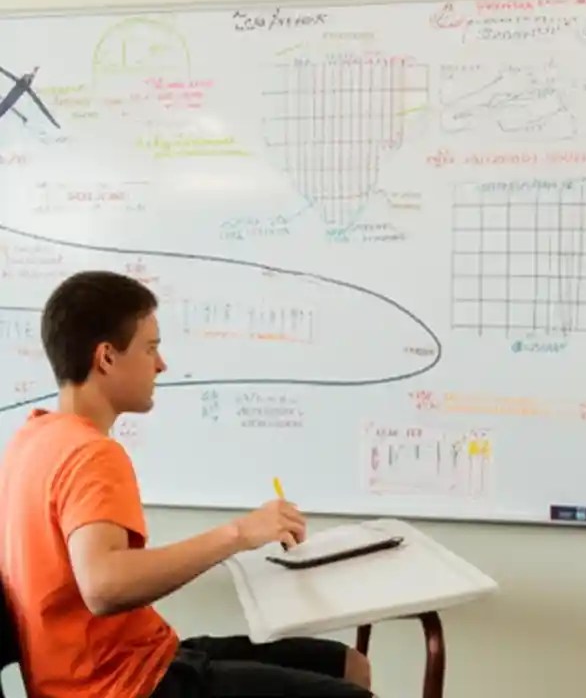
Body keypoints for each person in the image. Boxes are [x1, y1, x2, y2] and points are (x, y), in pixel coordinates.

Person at [0, 270, 375, 697]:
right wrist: (239, 534)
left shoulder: (31, 439)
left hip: (130, 660)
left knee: (349, 665)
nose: (161, 364)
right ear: (106, 357)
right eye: (150, 348)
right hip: (122, 685)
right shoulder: (91, 454)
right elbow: (103, 586)